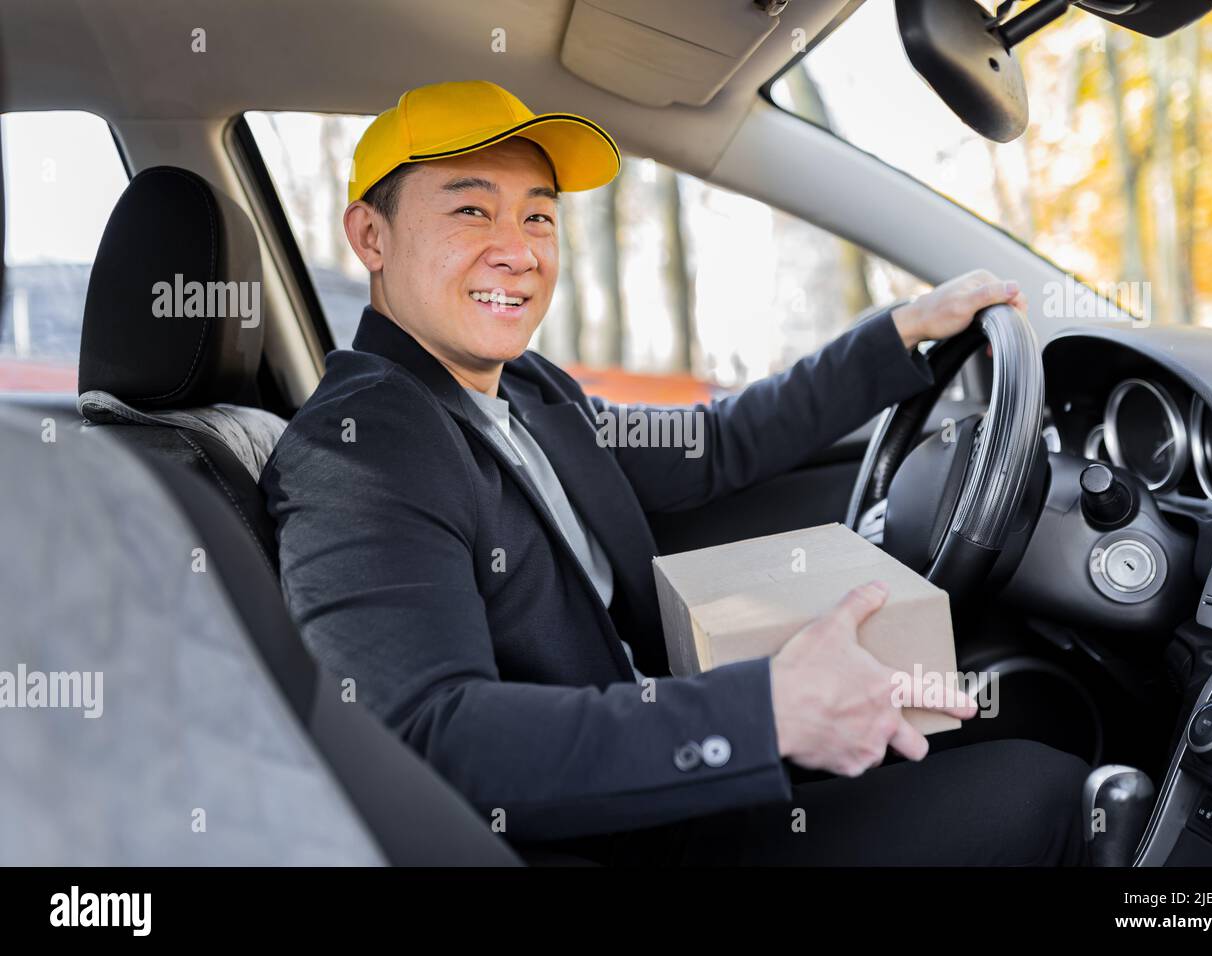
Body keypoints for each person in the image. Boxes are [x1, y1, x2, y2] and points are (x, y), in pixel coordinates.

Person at [259, 80, 1089, 865]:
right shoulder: (360, 447)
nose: (517, 251)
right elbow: (423, 739)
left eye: (539, 218)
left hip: (667, 770)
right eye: (472, 209)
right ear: (371, 235)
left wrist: (899, 333)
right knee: (1046, 793)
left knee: (1011, 727)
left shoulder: (527, 391)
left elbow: (715, 444)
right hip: (609, 834)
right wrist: (763, 716)